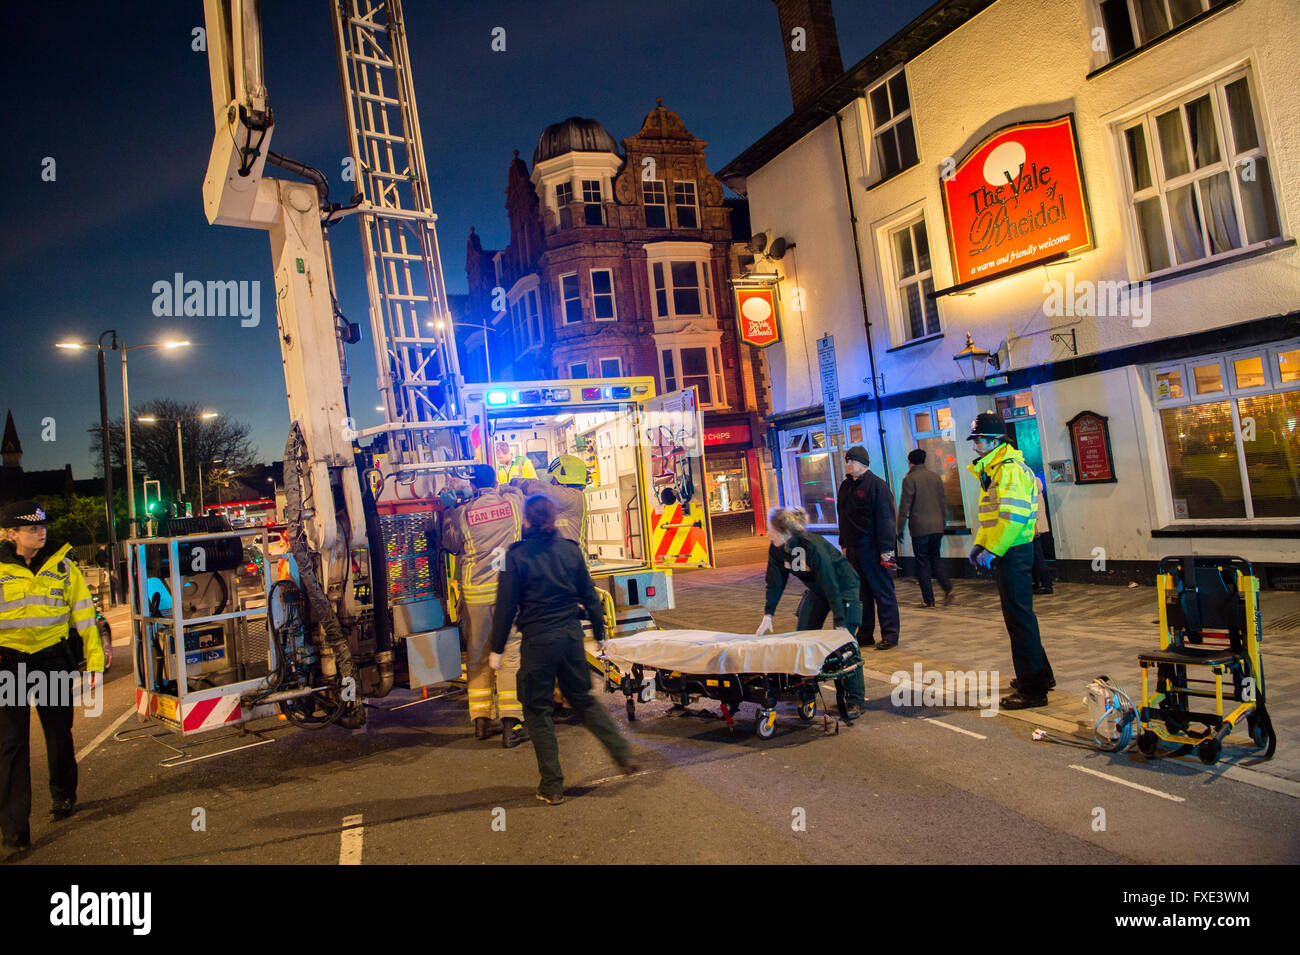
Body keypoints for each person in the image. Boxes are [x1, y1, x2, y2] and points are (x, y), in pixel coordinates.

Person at [489, 494, 637, 805]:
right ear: (554, 519)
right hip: (570, 637)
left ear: (526, 521)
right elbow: (591, 595)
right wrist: (599, 635)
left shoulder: (515, 556)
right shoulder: (570, 552)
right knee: (583, 700)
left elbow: (505, 607)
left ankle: (552, 785)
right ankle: (623, 755)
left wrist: (497, 649)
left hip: (538, 641)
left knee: (537, 710)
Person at [0, 500, 104, 853]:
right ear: (12, 534)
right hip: (9, 663)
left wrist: (94, 660)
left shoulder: (63, 567)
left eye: (42, 526)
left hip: (51, 659)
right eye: (32, 528)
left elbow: (85, 618)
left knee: (58, 733)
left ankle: (63, 794)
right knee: (11, 745)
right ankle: (15, 831)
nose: (40, 531)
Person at [965, 414, 1055, 709]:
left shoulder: (1008, 470)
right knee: (1021, 617)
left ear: (994, 442)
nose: (976, 445)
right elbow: (993, 515)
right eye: (976, 440)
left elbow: (1012, 518)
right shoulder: (997, 469)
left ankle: (1033, 690)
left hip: (1013, 550)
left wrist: (992, 550)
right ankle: (1041, 676)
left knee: (1019, 620)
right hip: (1009, 549)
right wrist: (981, 544)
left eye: (979, 440)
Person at [440, 465, 528, 747]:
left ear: (472, 484)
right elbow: (517, 491)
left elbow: (451, 543)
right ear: (495, 481)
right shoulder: (512, 504)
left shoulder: (463, 513)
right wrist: (496, 488)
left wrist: (449, 510)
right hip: (506, 592)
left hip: (475, 595)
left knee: (478, 656)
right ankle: (511, 724)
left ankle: (480, 720)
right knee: (509, 655)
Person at [757, 507, 867, 716]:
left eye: (771, 529)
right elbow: (775, 582)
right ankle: (806, 692)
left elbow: (831, 582)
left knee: (845, 644)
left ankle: (854, 700)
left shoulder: (812, 546)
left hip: (841, 586)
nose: (768, 533)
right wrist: (768, 614)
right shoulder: (777, 549)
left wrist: (840, 621)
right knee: (803, 637)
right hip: (817, 589)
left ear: (785, 531)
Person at [835, 446, 899, 649]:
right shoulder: (846, 486)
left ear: (863, 463)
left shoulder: (877, 486)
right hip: (853, 548)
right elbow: (842, 516)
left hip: (873, 548)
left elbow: (886, 520)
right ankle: (865, 633)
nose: (849, 464)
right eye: (848, 461)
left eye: (852, 460)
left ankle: (890, 634)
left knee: (882, 591)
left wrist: (886, 551)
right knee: (861, 594)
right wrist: (843, 543)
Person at [897, 448, 954, 608]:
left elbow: (904, 506)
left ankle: (928, 599)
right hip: (937, 526)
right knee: (935, 558)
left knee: (922, 563)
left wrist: (899, 528)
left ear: (911, 462)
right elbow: (943, 502)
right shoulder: (935, 477)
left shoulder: (910, 479)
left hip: (920, 527)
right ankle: (948, 588)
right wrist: (943, 522)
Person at [510, 454, 588, 554]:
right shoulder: (572, 497)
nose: (552, 481)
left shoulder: (573, 496)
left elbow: (542, 489)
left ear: (563, 477)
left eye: (554, 478)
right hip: (566, 562)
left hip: (571, 564)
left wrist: (516, 483)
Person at [1031, 474, 1053, 595]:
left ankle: (1046, 584)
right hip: (1038, 526)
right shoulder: (1036, 485)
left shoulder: (1028, 488)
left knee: (1037, 556)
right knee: (1036, 556)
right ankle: (1041, 582)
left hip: (1032, 527)